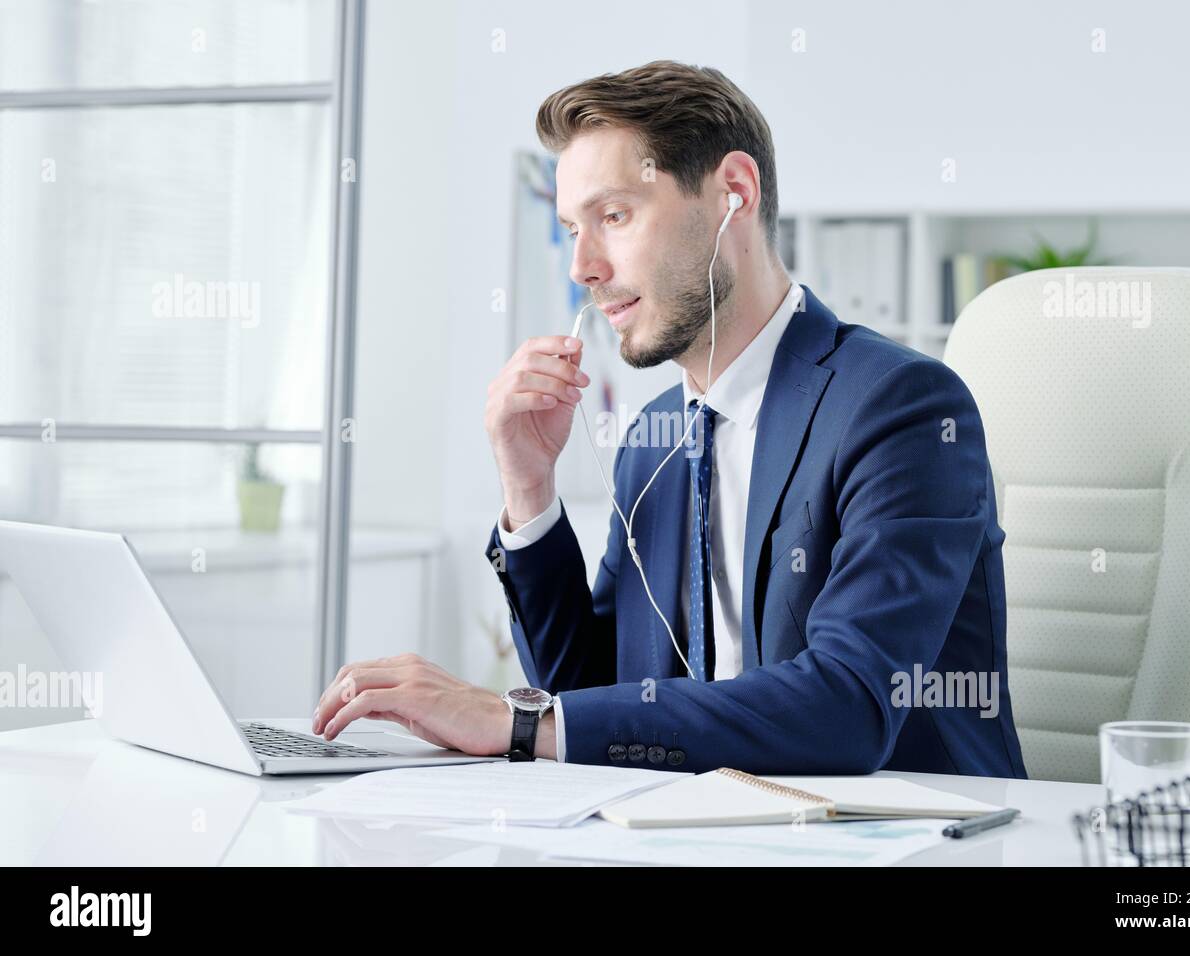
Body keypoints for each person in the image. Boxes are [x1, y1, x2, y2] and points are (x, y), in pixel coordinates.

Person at [313, 60, 1027, 779]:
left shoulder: (901, 409)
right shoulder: (655, 439)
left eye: (614, 216)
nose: (582, 267)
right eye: (571, 229)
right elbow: (593, 699)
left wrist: (512, 720)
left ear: (732, 195)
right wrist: (529, 490)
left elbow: (847, 707)